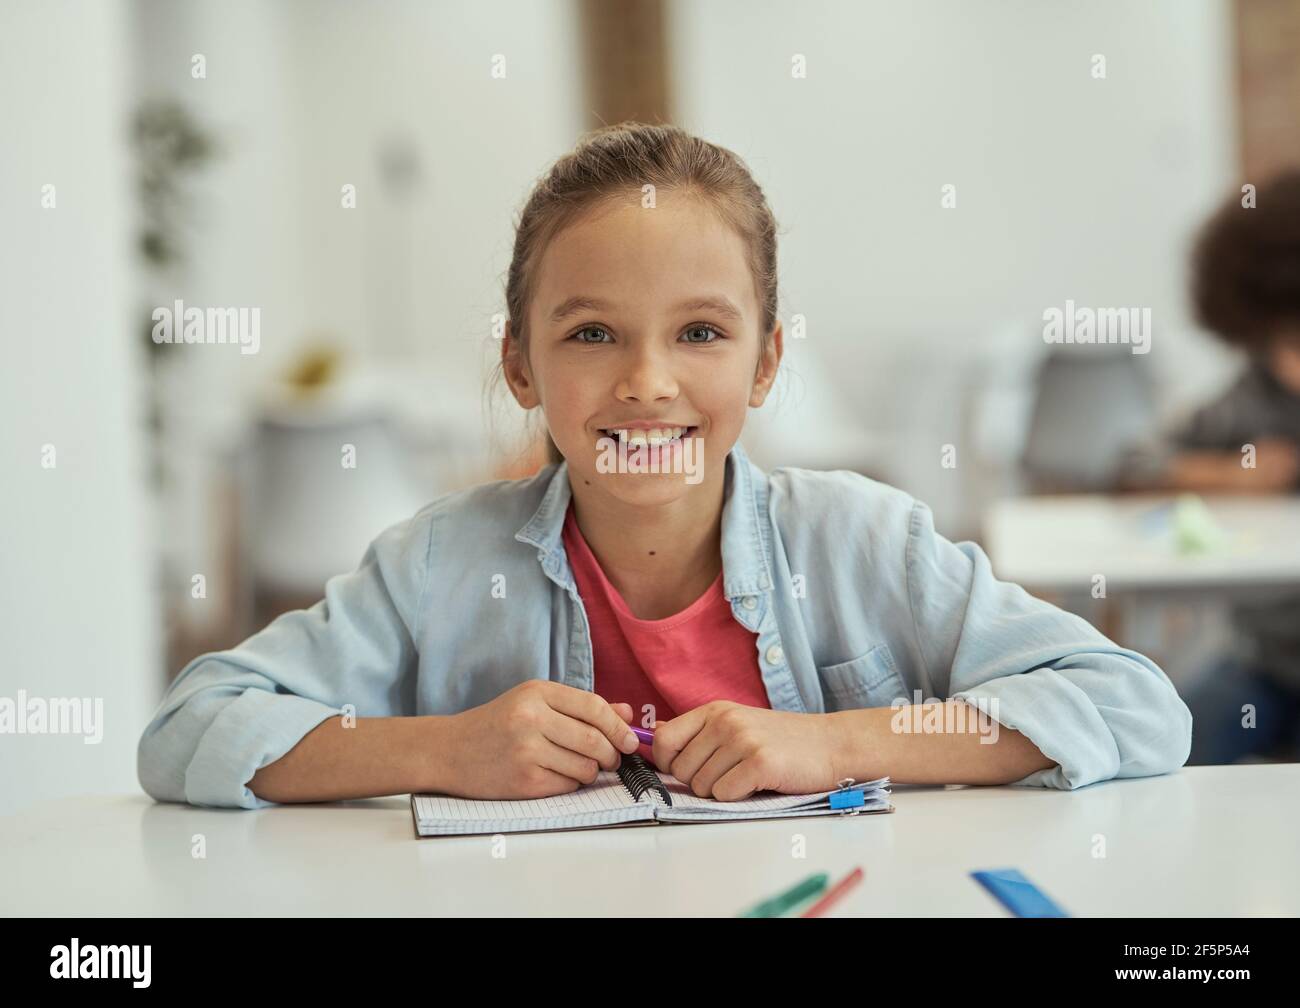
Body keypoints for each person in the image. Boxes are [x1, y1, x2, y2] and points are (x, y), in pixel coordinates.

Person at [138, 123, 1191, 809]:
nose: (646, 384)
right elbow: (191, 728)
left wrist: (833, 744)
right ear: (520, 363)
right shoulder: (435, 567)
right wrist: (439, 752)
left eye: (699, 333)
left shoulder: (865, 542)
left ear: (767, 358)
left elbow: (1133, 704)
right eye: (592, 335)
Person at [1120, 169, 1300, 764]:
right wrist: (1232, 476)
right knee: (1157, 746)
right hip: (1267, 664)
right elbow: (1136, 462)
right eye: (1282, 343)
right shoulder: (1251, 397)